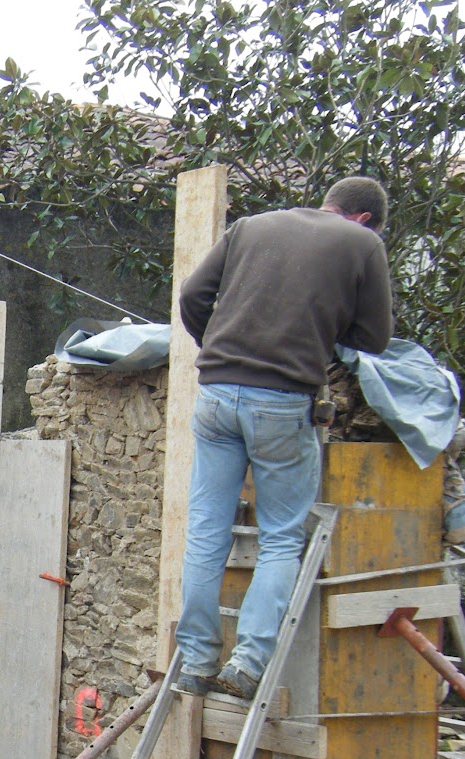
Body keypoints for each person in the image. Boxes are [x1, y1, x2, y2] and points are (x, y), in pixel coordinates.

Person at [174, 176, 394, 700]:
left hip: (215, 395)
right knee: (281, 538)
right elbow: (375, 337)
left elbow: (192, 296)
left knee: (206, 532)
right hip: (282, 402)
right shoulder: (363, 243)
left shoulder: (251, 226)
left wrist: (220, 348)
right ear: (365, 219)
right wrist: (322, 325)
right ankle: (247, 664)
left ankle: (196, 663)